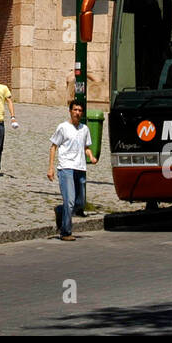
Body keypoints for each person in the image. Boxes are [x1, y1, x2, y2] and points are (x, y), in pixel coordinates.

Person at [48, 101, 97, 241]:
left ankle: (60, 210)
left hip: (80, 167)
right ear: (70, 111)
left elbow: (86, 147)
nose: (77, 112)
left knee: (80, 203)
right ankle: (65, 232)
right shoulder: (63, 127)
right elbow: (53, 147)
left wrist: (91, 156)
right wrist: (51, 168)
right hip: (66, 168)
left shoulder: (84, 129)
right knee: (69, 201)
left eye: (80, 110)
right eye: (75, 109)